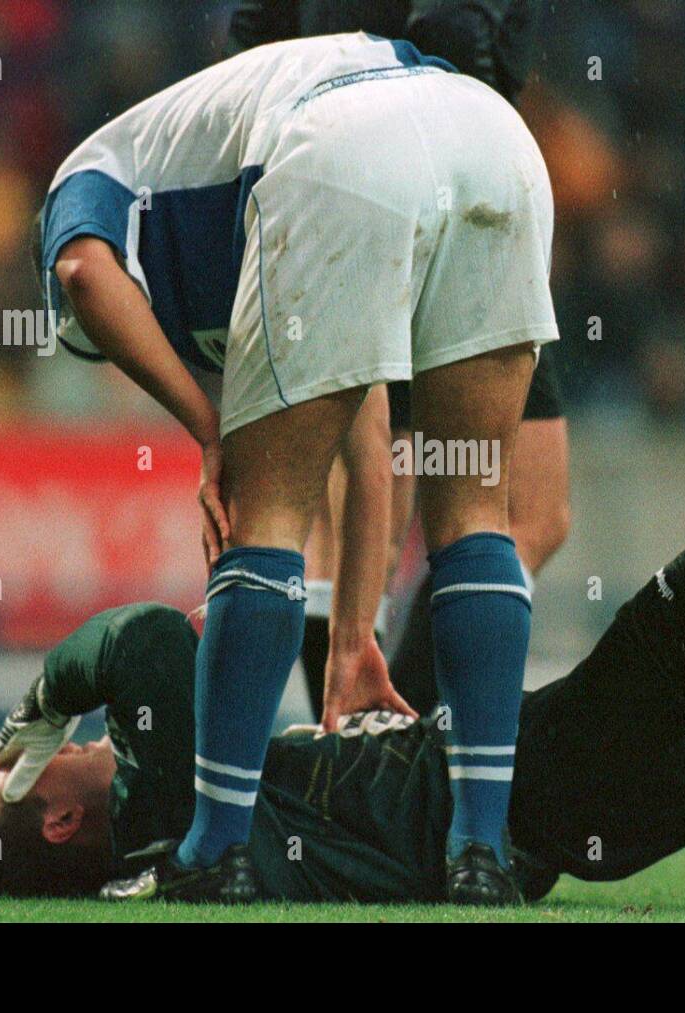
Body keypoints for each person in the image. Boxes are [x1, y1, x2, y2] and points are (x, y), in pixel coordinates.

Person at [0, 482, 685, 909]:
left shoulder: (196, 813)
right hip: (560, 779)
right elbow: (144, 641)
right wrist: (35, 708)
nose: (42, 749)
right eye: (15, 773)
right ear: (58, 816)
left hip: (573, 781)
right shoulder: (164, 820)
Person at [35, 31, 560, 902]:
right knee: (475, 512)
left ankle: (216, 850)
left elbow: (84, 271)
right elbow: (369, 436)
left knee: (268, 513)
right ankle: (479, 852)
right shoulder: (205, 174)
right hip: (493, 136)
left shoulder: (83, 177)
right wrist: (353, 637)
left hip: (339, 145)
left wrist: (208, 431)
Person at [222, 0, 571, 720]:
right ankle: (378, 741)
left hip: (398, 187)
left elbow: (256, 32)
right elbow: (456, 31)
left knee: (502, 512)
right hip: (421, 183)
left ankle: (377, 738)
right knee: (406, 505)